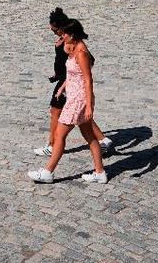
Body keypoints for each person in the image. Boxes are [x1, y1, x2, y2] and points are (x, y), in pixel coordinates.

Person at [28, 19, 108, 184]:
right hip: (74, 97)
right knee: (90, 136)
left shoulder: (81, 53)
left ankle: (48, 172)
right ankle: (100, 172)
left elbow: (88, 80)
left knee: (59, 135)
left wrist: (88, 106)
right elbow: (73, 74)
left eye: (64, 33)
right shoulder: (75, 48)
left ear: (72, 35)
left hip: (78, 101)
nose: (62, 36)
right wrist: (62, 87)